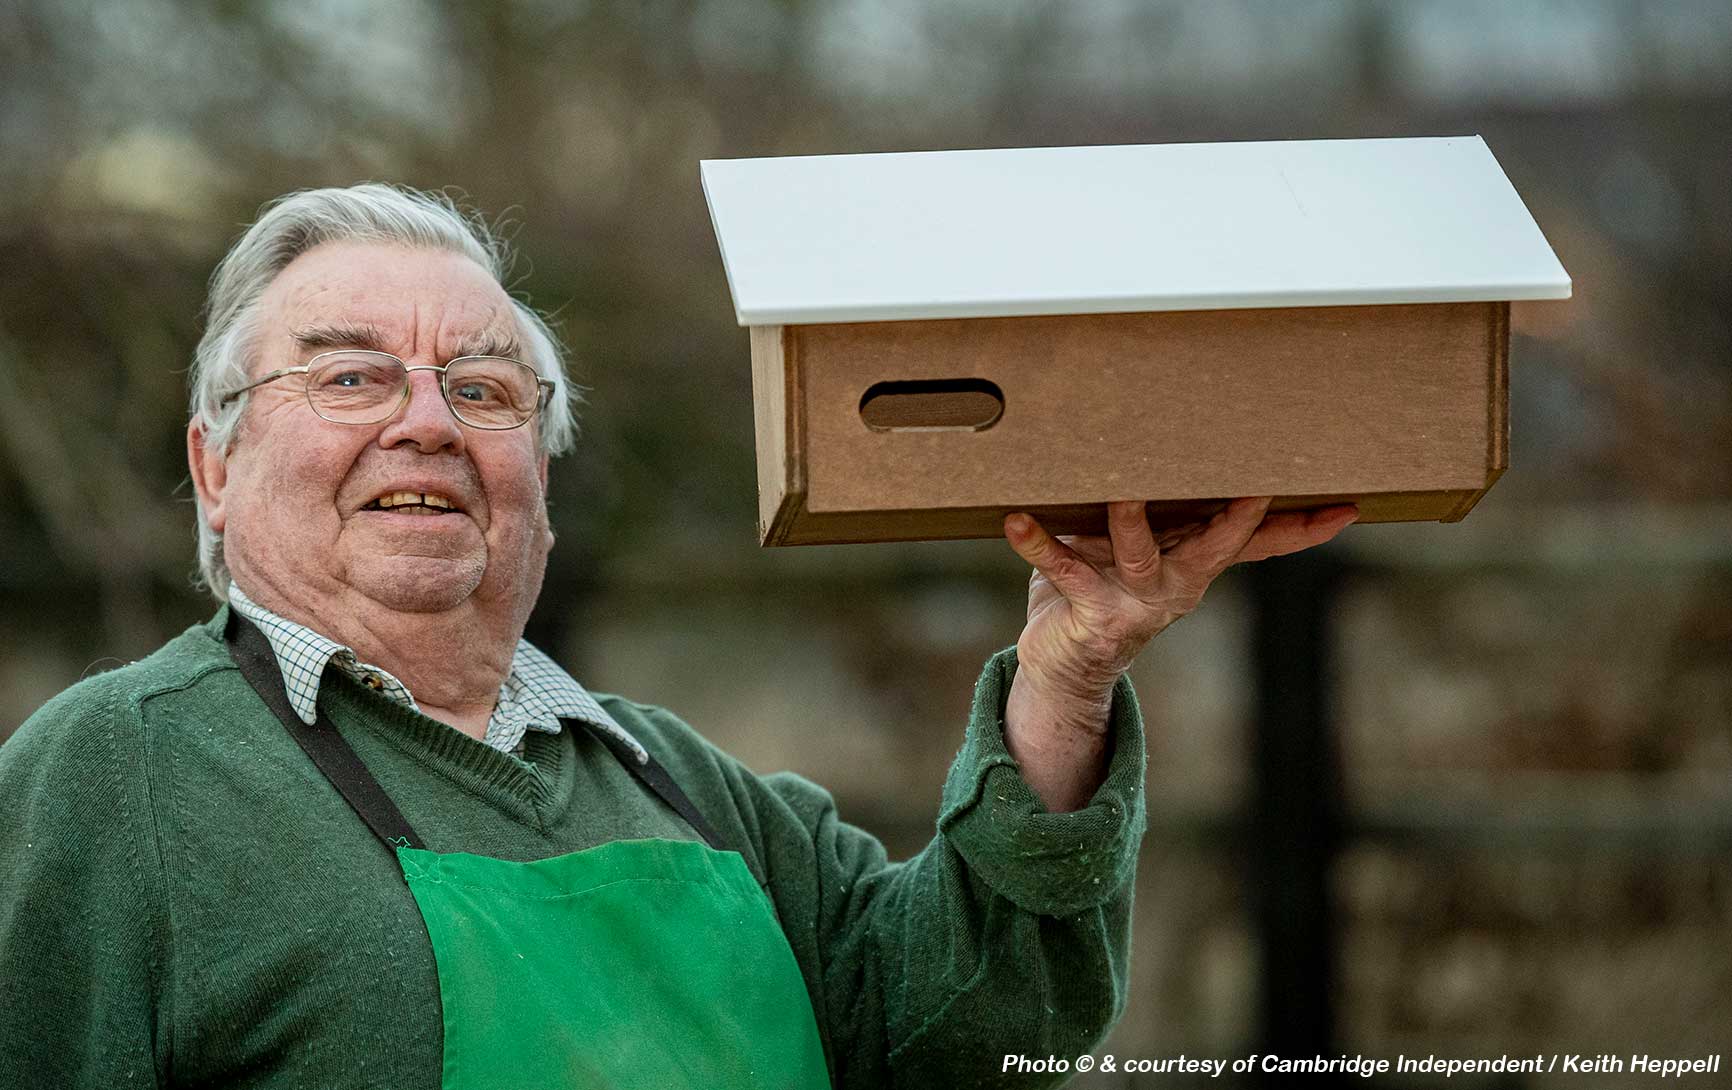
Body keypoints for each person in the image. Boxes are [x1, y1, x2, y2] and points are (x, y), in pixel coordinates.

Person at [0, 184, 1355, 1089]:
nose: (425, 421)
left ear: (540, 471)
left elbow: (973, 1032)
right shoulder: (119, 777)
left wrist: (1068, 671)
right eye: (350, 375)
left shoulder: (674, 780)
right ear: (215, 464)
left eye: (483, 387)